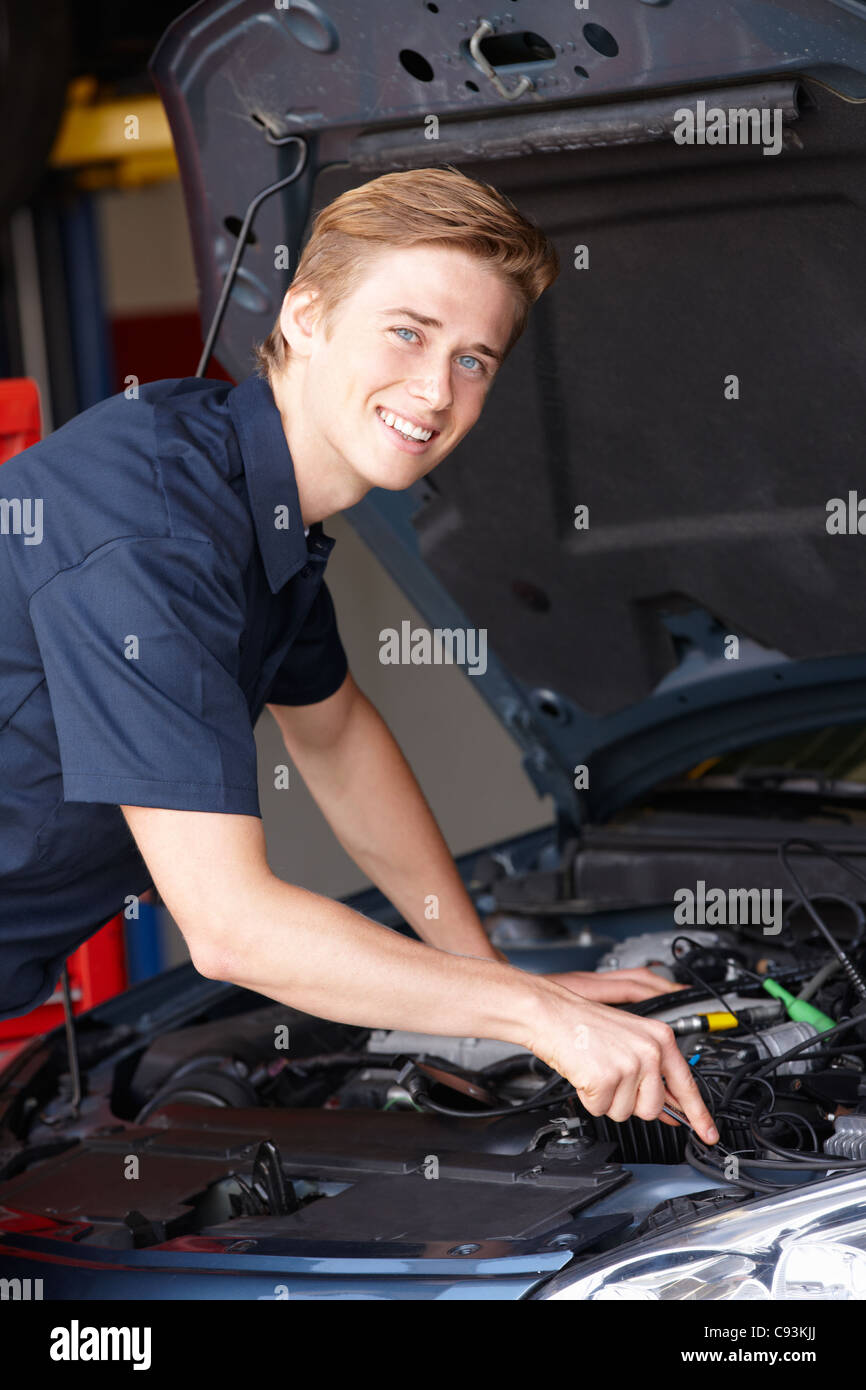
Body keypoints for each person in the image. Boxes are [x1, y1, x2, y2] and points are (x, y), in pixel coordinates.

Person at [0, 165, 717, 1142]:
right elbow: (229, 926)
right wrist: (537, 1017)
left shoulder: (255, 501)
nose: (434, 390)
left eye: (474, 359)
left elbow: (333, 732)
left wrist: (487, 979)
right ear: (304, 314)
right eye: (408, 330)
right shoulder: (160, 531)